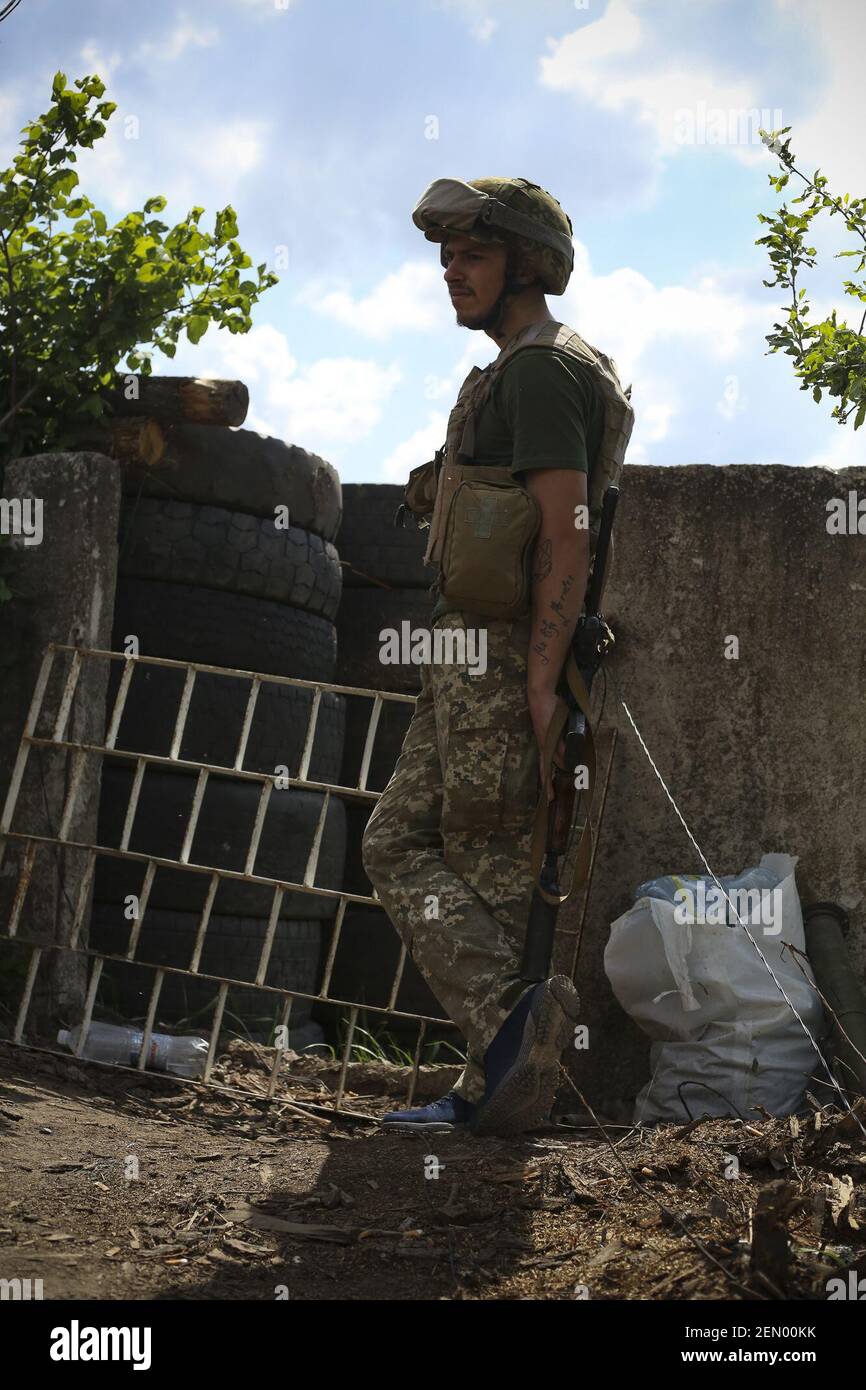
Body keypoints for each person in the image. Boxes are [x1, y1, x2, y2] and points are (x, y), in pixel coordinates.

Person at [361, 177, 633, 1136]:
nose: (451, 272)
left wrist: (539, 678)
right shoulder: (516, 368)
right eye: (446, 256)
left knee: (483, 868)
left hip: (501, 654)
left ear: (526, 264)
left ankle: (508, 1062)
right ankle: (502, 1063)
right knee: (403, 843)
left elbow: (568, 532)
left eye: (472, 255)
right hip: (466, 651)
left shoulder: (541, 370)